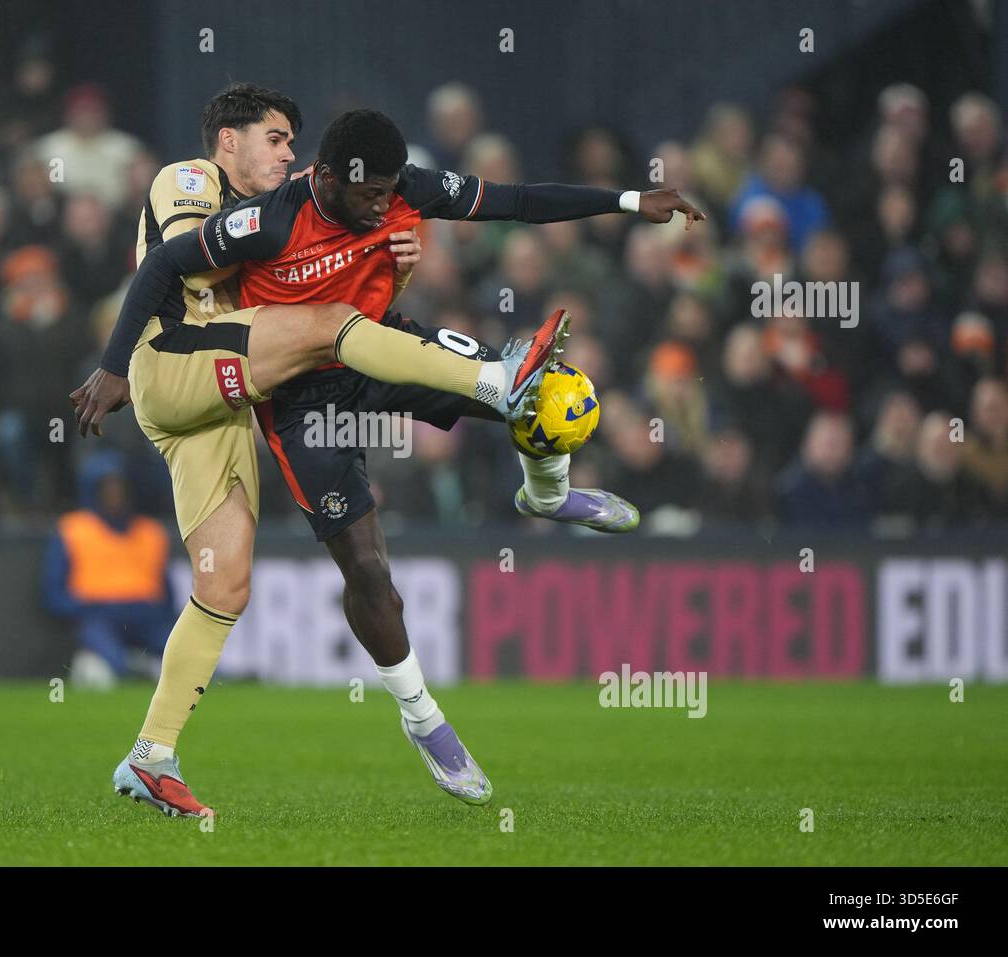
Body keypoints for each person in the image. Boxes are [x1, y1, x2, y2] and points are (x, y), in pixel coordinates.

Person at [76, 101, 703, 817]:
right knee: (369, 568)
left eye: (292, 141)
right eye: (276, 139)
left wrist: (626, 200)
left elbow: (516, 202)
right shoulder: (245, 205)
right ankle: (423, 716)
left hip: (372, 346)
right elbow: (174, 258)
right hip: (299, 394)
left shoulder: (398, 188)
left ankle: (545, 490)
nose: (290, 153)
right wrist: (115, 363)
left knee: (557, 394)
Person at [43, 451, 176, 688]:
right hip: (97, 615)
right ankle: (126, 664)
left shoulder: (151, 532)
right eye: (107, 488)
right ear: (93, 491)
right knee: (115, 667)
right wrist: (88, 608)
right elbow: (54, 596)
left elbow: (167, 596)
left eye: (119, 487)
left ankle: (147, 664)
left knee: (186, 660)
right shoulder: (72, 530)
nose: (114, 495)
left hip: (145, 616)